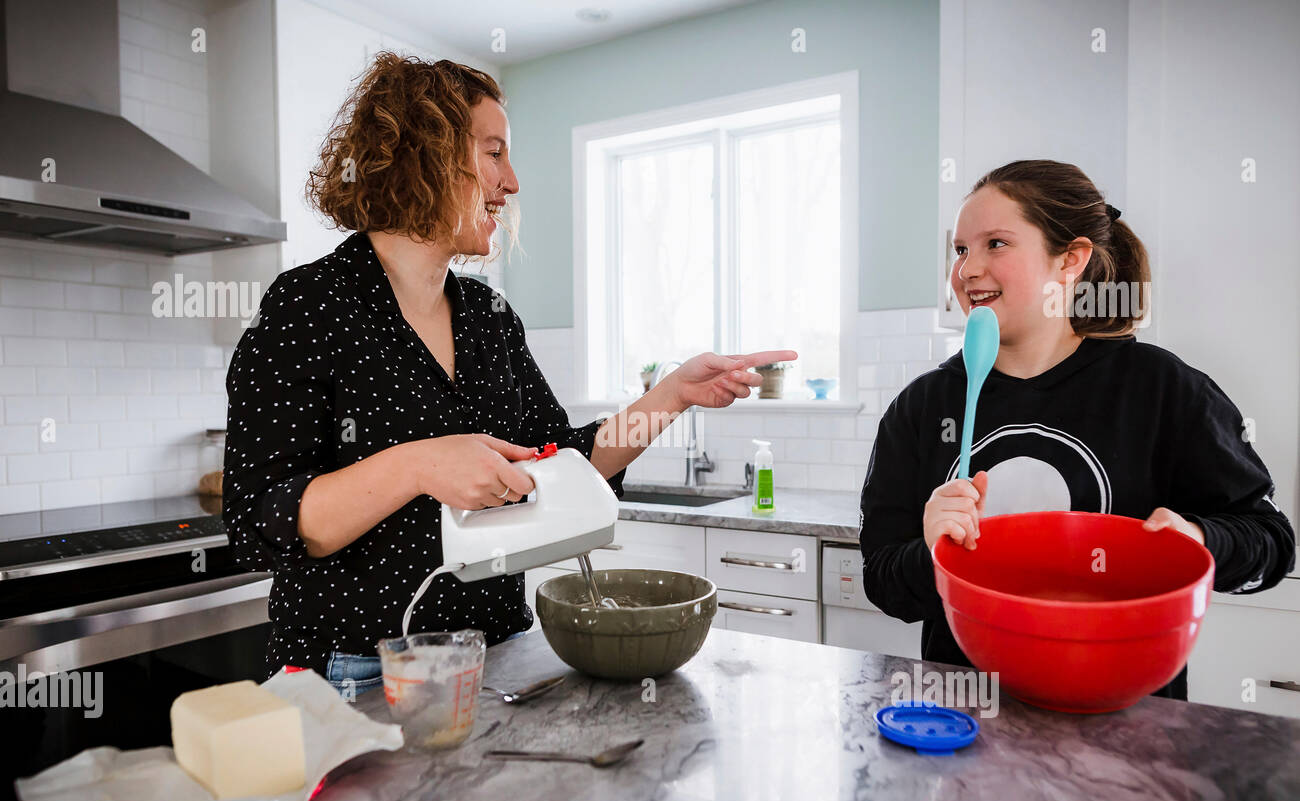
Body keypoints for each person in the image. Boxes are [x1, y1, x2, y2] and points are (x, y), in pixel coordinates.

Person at [223, 54, 794, 693]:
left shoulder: (490, 318)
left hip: (499, 658)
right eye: (494, 153)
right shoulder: (310, 306)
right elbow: (258, 521)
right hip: (355, 678)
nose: (512, 180)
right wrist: (418, 465)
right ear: (426, 156)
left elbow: (562, 461)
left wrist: (672, 395)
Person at [858, 159, 1295, 700]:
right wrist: (931, 552)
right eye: (961, 249)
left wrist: (1199, 542)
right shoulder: (921, 407)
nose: (967, 269)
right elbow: (882, 581)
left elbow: (1272, 542)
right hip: (968, 715)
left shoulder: (1162, 390)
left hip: (1127, 723)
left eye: (996, 243)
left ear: (1071, 260)